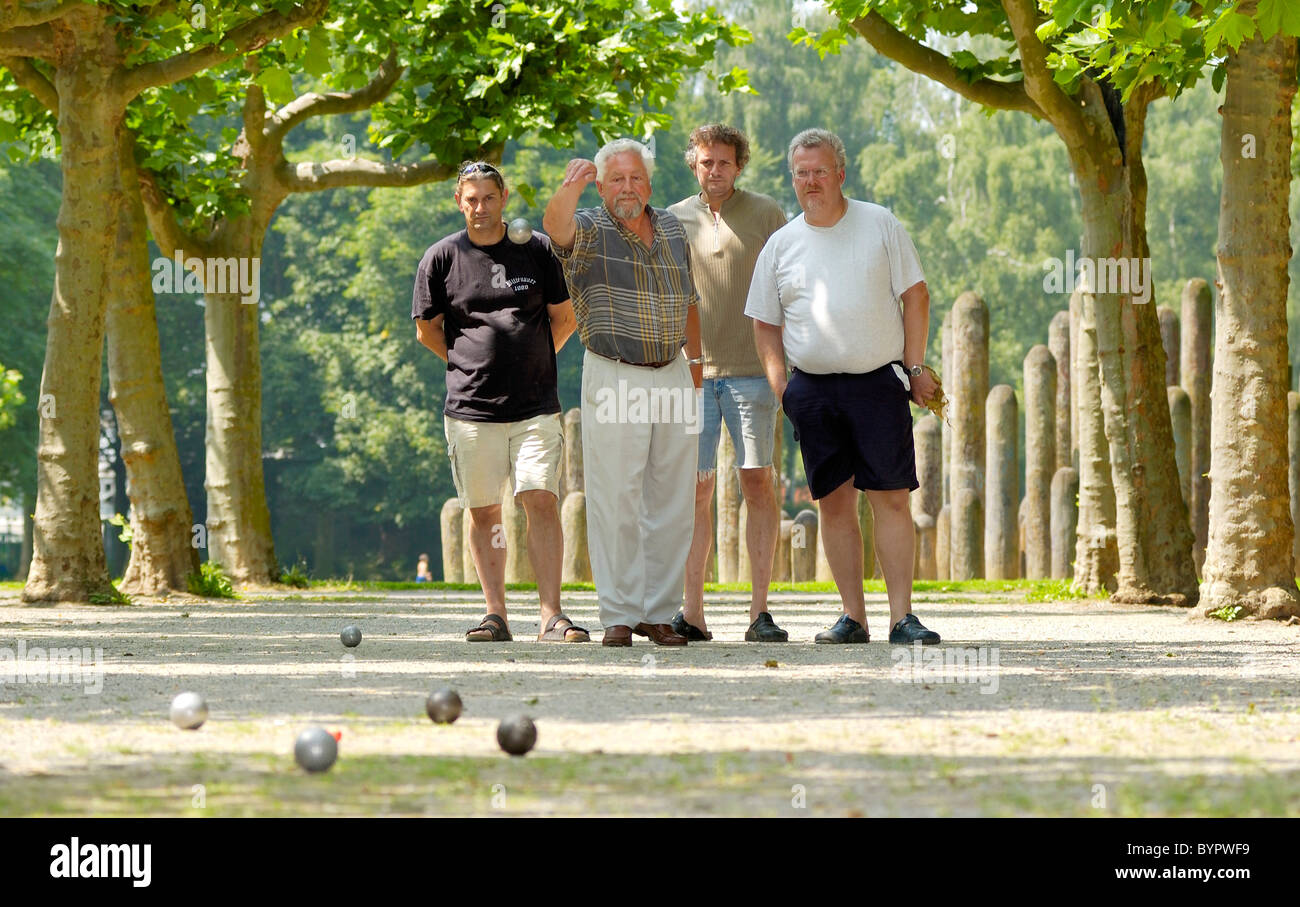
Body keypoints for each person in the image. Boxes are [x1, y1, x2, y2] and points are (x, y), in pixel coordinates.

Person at [746, 128, 942, 646]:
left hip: (879, 383)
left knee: (891, 500)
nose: (811, 181)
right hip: (811, 390)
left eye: (820, 170)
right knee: (833, 505)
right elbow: (764, 322)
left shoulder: (879, 223)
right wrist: (781, 386)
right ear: (793, 179)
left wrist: (916, 367)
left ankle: (903, 618)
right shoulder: (781, 243)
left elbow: (916, 296)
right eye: (802, 173)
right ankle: (853, 617)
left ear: (841, 173)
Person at [412, 161, 587, 643]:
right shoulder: (441, 258)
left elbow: (565, 318)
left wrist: (531, 359)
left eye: (489, 198)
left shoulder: (536, 250)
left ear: (503, 198)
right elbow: (427, 329)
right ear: (457, 201)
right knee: (484, 510)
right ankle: (496, 615)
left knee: (541, 500)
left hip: (535, 407)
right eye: (471, 199)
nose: (480, 207)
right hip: (470, 409)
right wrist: (466, 362)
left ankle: (552, 615)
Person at [542, 139, 703, 647]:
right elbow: (555, 228)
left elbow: (691, 302)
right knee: (616, 498)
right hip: (615, 373)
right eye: (616, 179)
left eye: (635, 178)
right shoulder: (589, 226)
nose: (627, 188)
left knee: (673, 500)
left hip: (673, 370)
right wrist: (571, 187)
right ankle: (618, 613)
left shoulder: (675, 227)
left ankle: (657, 613)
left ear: (649, 184)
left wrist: (695, 372)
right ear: (602, 186)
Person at [666, 124, 789, 643]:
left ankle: (759, 611)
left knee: (757, 483)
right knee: (694, 490)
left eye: (724, 162)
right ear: (692, 163)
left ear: (739, 165)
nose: (714, 170)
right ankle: (691, 612)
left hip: (754, 375)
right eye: (705, 161)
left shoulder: (767, 214)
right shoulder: (671, 220)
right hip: (691, 375)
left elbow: (790, 287)